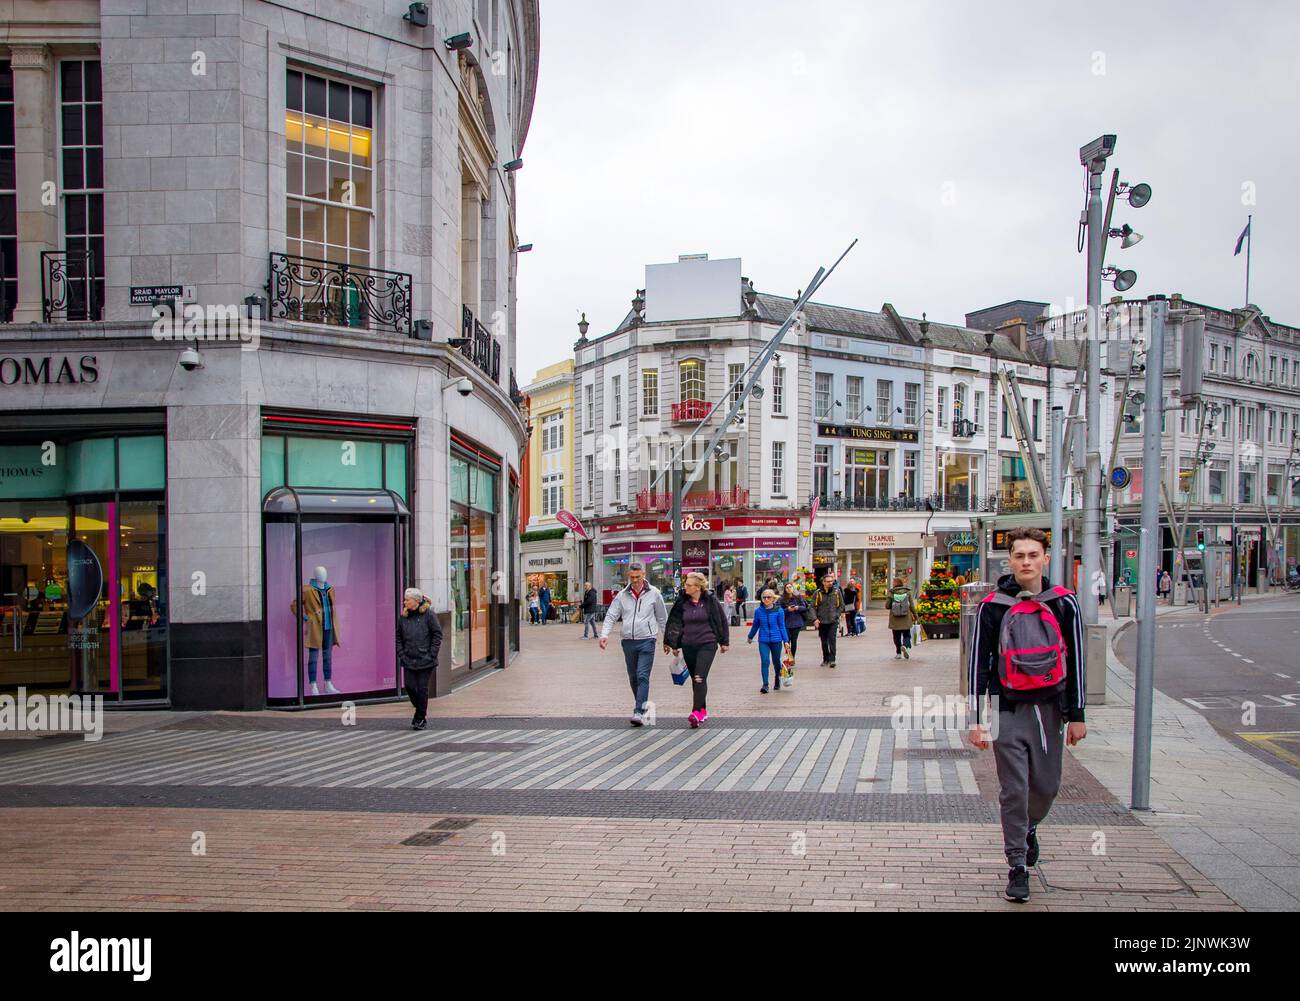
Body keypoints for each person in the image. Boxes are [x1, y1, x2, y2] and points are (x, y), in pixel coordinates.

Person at [966, 526, 1086, 904]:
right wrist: (975, 718)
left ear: (1045, 559)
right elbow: (978, 664)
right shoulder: (993, 605)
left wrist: (1078, 714)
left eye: (1033, 555)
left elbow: (1079, 661)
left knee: (1046, 787)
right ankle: (1017, 865)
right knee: (1013, 788)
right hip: (1005, 707)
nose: (1026, 562)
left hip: (1051, 709)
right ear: (1010, 560)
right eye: (1019, 556)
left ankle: (1030, 826)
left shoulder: (1065, 603)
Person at [599, 562, 669, 726]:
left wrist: (667, 640)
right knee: (633, 678)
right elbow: (611, 616)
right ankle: (643, 707)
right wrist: (604, 635)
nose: (635, 580)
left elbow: (662, 618)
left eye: (638, 577)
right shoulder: (622, 595)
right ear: (628, 576)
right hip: (628, 642)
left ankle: (638, 711)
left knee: (642, 676)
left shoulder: (654, 593)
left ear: (643, 575)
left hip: (648, 640)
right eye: (632, 577)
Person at [663, 572, 730, 727]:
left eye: (689, 585)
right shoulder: (682, 602)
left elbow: (721, 621)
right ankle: (703, 710)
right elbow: (673, 622)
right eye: (686, 584)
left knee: (699, 676)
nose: (685, 587)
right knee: (696, 679)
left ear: (698, 587)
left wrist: (724, 642)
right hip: (688, 644)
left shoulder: (710, 601)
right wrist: (672, 643)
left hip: (707, 644)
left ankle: (695, 712)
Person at [397, 587, 442, 731]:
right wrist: (401, 653)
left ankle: (420, 718)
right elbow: (398, 636)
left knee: (422, 689)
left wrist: (432, 654)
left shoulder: (429, 615)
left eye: (407, 600)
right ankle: (421, 708)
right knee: (410, 687)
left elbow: (437, 634)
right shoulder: (403, 617)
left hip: (426, 659)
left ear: (416, 601)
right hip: (409, 658)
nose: (404, 602)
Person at [748, 588, 791, 693]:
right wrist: (750, 636)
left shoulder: (779, 611)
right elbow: (755, 625)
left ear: (773, 599)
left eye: (769, 597)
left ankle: (777, 680)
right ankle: (765, 684)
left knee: (776, 662)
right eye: (764, 597)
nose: (766, 599)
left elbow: (782, 626)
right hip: (763, 640)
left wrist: (786, 641)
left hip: (776, 640)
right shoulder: (758, 611)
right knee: (765, 661)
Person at [811, 571, 844, 668]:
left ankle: (832, 659)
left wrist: (837, 614)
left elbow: (841, 605)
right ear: (823, 582)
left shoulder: (837, 592)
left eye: (831, 581)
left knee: (832, 639)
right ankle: (826, 659)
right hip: (822, 621)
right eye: (828, 581)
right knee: (824, 641)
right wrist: (815, 619)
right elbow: (812, 607)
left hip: (833, 620)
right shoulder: (817, 593)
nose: (830, 583)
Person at [779, 582, 809, 676]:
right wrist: (787, 609)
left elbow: (805, 607)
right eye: (787, 587)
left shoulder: (798, 597)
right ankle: (789, 657)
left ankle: (792, 658)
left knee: (794, 641)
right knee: (786, 641)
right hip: (786, 623)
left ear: (793, 588)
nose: (788, 589)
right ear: (784, 589)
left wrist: (797, 607)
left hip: (796, 622)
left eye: (790, 587)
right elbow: (778, 610)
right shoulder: (781, 599)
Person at [887, 576, 917, 660]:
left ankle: (898, 653)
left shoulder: (891, 593)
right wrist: (915, 616)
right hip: (906, 618)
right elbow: (911, 606)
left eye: (893, 582)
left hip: (894, 619)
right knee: (907, 635)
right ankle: (905, 646)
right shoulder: (907, 592)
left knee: (896, 636)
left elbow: (887, 606)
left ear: (896, 583)